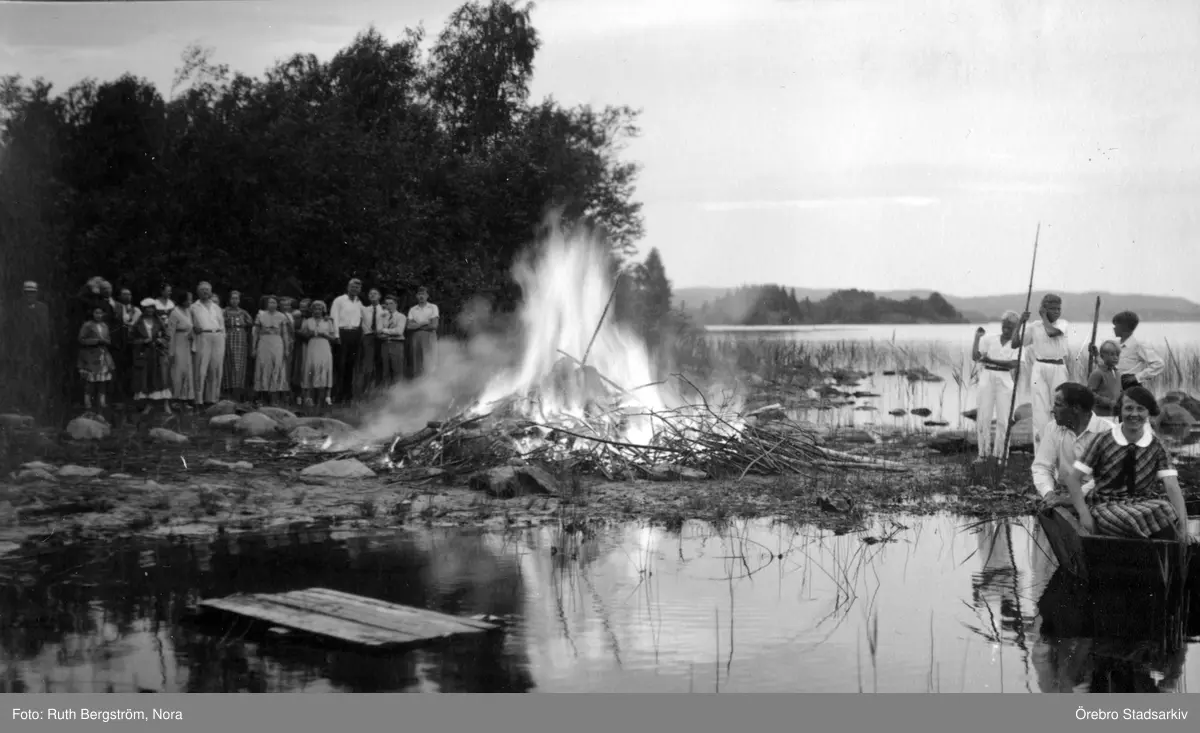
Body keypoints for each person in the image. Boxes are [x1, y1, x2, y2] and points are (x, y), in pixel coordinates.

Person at [1063, 386, 1191, 542]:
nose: (1134, 414)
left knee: (1167, 509)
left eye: (1141, 409)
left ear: (1148, 413)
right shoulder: (1103, 440)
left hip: (1141, 503)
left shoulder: (1156, 446)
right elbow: (1073, 479)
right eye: (1129, 408)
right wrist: (1084, 514)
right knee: (1131, 518)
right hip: (1105, 505)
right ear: (1120, 411)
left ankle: (1164, 551)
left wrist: (1183, 527)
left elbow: (1171, 485)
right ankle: (1145, 547)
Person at [1030, 382, 1113, 509]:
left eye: (1058, 405)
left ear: (1076, 409)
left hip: (1102, 498)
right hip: (1065, 494)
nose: (1052, 410)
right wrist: (1048, 493)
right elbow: (1042, 467)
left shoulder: (1108, 432)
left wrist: (1072, 498)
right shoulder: (1053, 428)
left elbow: (1108, 477)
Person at [1018, 294, 1076, 448]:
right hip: (1039, 368)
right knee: (1039, 411)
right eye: (1052, 308)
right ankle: (1041, 453)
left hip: (1058, 368)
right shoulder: (1034, 327)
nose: (1056, 311)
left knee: (1059, 407)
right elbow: (1016, 343)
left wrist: (1043, 316)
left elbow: (1051, 332)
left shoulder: (1062, 324)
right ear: (1043, 308)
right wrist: (1020, 323)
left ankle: (1060, 449)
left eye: (1059, 308)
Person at [971, 311, 1022, 460]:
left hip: (1005, 379)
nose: (1006, 329)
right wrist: (976, 338)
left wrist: (990, 360)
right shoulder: (989, 339)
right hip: (987, 377)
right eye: (1004, 325)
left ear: (1015, 327)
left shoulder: (1017, 343)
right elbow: (976, 357)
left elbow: (1013, 364)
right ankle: (983, 454)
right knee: (983, 416)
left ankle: (1000, 455)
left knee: (1004, 420)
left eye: (1010, 326)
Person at [14, 281, 53, 414]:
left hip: (39, 350)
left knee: (38, 378)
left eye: (32, 292)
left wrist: (45, 347)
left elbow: (45, 329)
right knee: (23, 377)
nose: (30, 295)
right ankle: (22, 406)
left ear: (37, 293)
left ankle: (38, 409)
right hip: (22, 349)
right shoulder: (17, 307)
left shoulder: (43, 308)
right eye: (27, 292)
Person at [129, 299, 172, 415]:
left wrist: (160, 340)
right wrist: (143, 341)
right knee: (147, 379)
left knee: (163, 378)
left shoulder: (158, 321)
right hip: (145, 354)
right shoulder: (138, 323)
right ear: (143, 310)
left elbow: (167, 336)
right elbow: (131, 339)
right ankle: (149, 404)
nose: (150, 310)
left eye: (152, 308)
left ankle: (166, 404)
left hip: (158, 353)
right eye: (147, 308)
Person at [190, 282, 226, 409]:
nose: (205, 292)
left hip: (217, 336)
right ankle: (198, 400)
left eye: (207, 290)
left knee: (215, 369)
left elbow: (222, 323)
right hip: (202, 337)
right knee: (200, 369)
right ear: (198, 292)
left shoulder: (216, 307)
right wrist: (193, 329)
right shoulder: (194, 307)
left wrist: (222, 336)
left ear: (211, 291)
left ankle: (212, 399)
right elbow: (189, 324)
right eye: (202, 290)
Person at [329, 279, 364, 403]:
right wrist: (336, 335)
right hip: (342, 332)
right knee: (340, 365)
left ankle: (348, 394)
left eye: (357, 288)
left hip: (354, 334)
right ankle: (337, 395)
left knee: (350, 365)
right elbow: (334, 318)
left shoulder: (359, 303)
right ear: (348, 287)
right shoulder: (339, 300)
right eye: (353, 287)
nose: (355, 289)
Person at [1111, 311, 1165, 390]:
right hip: (1116, 386)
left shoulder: (1138, 345)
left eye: (1116, 325)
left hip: (1131, 387)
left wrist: (1137, 377)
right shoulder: (1116, 345)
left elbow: (1159, 364)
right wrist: (1096, 355)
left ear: (1124, 327)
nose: (1114, 328)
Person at [253, 295, 291, 406]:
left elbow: (284, 333)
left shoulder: (281, 316)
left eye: (274, 302)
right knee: (263, 366)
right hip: (264, 342)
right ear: (266, 304)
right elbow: (256, 333)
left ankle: (274, 396)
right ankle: (263, 396)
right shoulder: (260, 315)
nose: (272, 304)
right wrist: (254, 347)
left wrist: (287, 348)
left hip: (277, 342)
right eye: (270, 302)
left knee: (277, 366)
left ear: (277, 304)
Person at [77, 306, 115, 411]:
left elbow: (108, 339)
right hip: (90, 355)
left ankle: (102, 401)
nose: (98, 315)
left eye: (100, 313)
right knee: (90, 381)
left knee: (103, 380)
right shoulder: (87, 325)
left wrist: (106, 341)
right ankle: (87, 402)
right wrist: (96, 341)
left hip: (103, 355)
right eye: (96, 313)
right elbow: (81, 339)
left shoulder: (104, 326)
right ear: (92, 314)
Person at [301, 300, 337, 410]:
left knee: (324, 368)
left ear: (323, 310)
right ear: (312, 310)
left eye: (320, 309)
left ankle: (325, 398)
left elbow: (334, 337)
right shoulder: (307, 321)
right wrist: (309, 334)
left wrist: (325, 334)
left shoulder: (328, 321)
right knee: (311, 368)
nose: (317, 311)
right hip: (312, 346)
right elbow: (303, 334)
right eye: (315, 308)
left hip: (324, 346)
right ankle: (308, 398)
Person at [222, 290, 253, 402]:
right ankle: (228, 393)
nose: (235, 300)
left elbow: (250, 322)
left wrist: (244, 324)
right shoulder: (224, 311)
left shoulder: (243, 312)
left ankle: (238, 394)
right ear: (229, 299)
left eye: (237, 298)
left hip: (241, 339)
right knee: (228, 363)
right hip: (229, 337)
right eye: (232, 298)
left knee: (239, 365)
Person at [168, 291, 196, 409]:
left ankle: (185, 399)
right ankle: (175, 399)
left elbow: (191, 327)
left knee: (187, 371)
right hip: (177, 342)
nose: (190, 302)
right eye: (188, 299)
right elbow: (170, 332)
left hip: (187, 344)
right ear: (183, 300)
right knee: (177, 371)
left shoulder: (189, 312)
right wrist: (171, 351)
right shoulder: (174, 313)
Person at [356, 287, 384, 396]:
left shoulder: (384, 310)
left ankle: (379, 389)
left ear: (379, 296)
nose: (372, 295)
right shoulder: (364, 309)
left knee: (380, 363)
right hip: (368, 337)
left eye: (375, 293)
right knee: (368, 364)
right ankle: (365, 390)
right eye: (370, 294)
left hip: (382, 338)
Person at [406, 286, 439, 378]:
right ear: (416, 296)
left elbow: (434, 325)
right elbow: (409, 326)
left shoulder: (433, 307)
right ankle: (418, 384)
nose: (421, 296)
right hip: (416, 337)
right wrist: (425, 323)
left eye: (423, 294)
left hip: (429, 336)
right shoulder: (413, 309)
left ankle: (430, 384)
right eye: (419, 294)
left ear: (427, 296)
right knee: (417, 361)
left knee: (429, 360)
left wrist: (416, 325)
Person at [1086, 340, 1122, 417]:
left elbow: (1118, 391)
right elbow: (1089, 393)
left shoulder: (1117, 373)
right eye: (1112, 355)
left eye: (1117, 355)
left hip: (1114, 414)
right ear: (1102, 356)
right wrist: (1106, 402)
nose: (1115, 358)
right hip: (1100, 414)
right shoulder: (1097, 373)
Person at [378, 294, 407, 385]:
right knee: (385, 370)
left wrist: (384, 330)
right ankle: (386, 393)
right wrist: (383, 332)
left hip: (396, 344)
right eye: (386, 304)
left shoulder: (401, 316)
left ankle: (398, 393)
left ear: (396, 304)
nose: (388, 306)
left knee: (397, 369)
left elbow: (399, 331)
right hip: (385, 344)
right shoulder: (383, 316)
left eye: (391, 303)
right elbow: (378, 331)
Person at [290, 297, 311, 404]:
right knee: (298, 371)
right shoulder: (297, 319)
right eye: (301, 308)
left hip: (311, 348)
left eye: (305, 308)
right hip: (300, 347)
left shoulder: (314, 320)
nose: (303, 310)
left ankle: (308, 396)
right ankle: (298, 396)